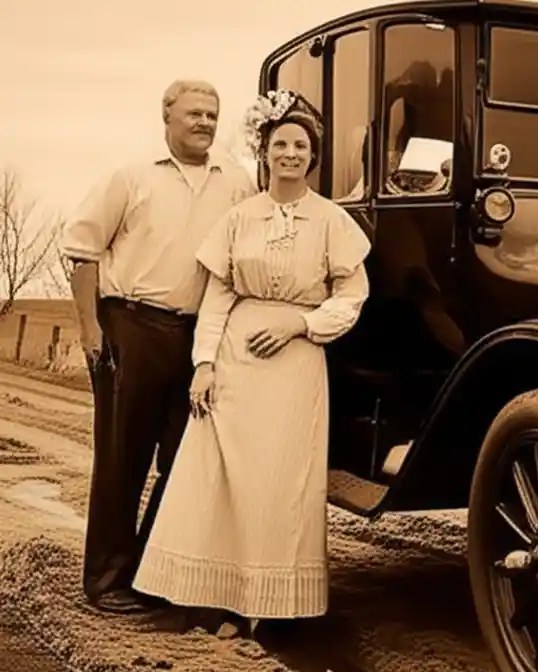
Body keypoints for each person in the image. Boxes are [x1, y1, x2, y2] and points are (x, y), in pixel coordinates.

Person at [130, 90, 372, 637]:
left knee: (277, 483)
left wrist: (301, 324)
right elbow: (218, 296)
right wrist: (205, 364)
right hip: (235, 363)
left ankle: (266, 607)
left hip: (294, 366)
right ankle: (198, 600)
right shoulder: (240, 218)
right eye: (280, 143)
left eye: (300, 145)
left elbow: (352, 297)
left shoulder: (331, 221)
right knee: (212, 475)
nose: (290, 153)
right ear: (264, 153)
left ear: (313, 157)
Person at [59, 79, 256, 615]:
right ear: (166, 116)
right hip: (131, 325)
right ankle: (106, 582)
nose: (205, 123)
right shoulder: (131, 176)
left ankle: (151, 575)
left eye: (213, 114)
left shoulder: (236, 182)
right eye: (194, 113)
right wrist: (90, 332)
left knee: (183, 462)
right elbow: (82, 252)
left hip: (195, 335)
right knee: (123, 459)